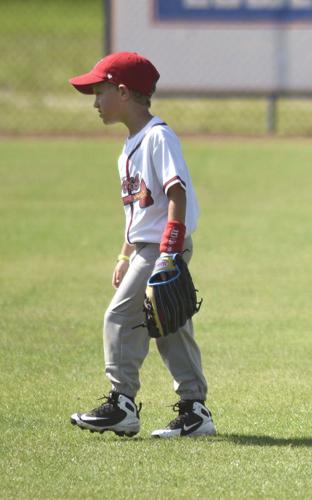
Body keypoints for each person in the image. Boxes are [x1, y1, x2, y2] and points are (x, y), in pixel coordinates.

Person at [67, 52, 215, 438]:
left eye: (99, 92)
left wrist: (169, 249)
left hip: (163, 245)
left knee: (119, 317)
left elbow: (176, 192)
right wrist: (124, 253)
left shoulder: (157, 137)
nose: (95, 102)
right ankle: (195, 410)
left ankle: (121, 403)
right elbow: (139, 211)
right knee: (168, 326)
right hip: (148, 246)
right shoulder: (129, 146)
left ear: (123, 91)